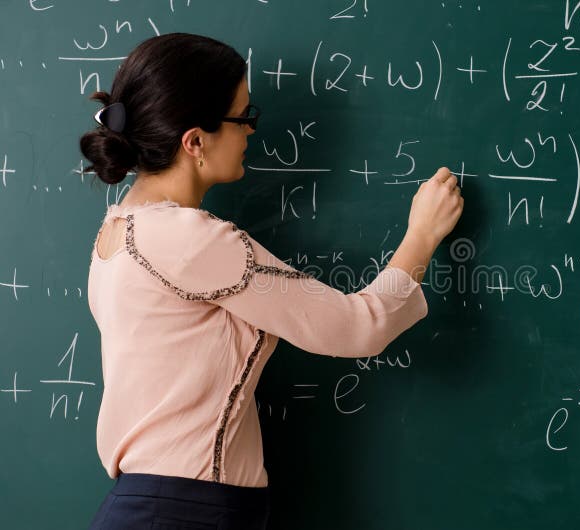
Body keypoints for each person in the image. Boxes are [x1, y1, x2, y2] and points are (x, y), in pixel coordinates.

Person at [82, 33, 463, 529]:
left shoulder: (116, 232)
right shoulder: (188, 239)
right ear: (195, 141)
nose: (252, 132)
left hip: (158, 507)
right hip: (186, 513)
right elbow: (356, 328)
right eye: (244, 118)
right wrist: (423, 235)